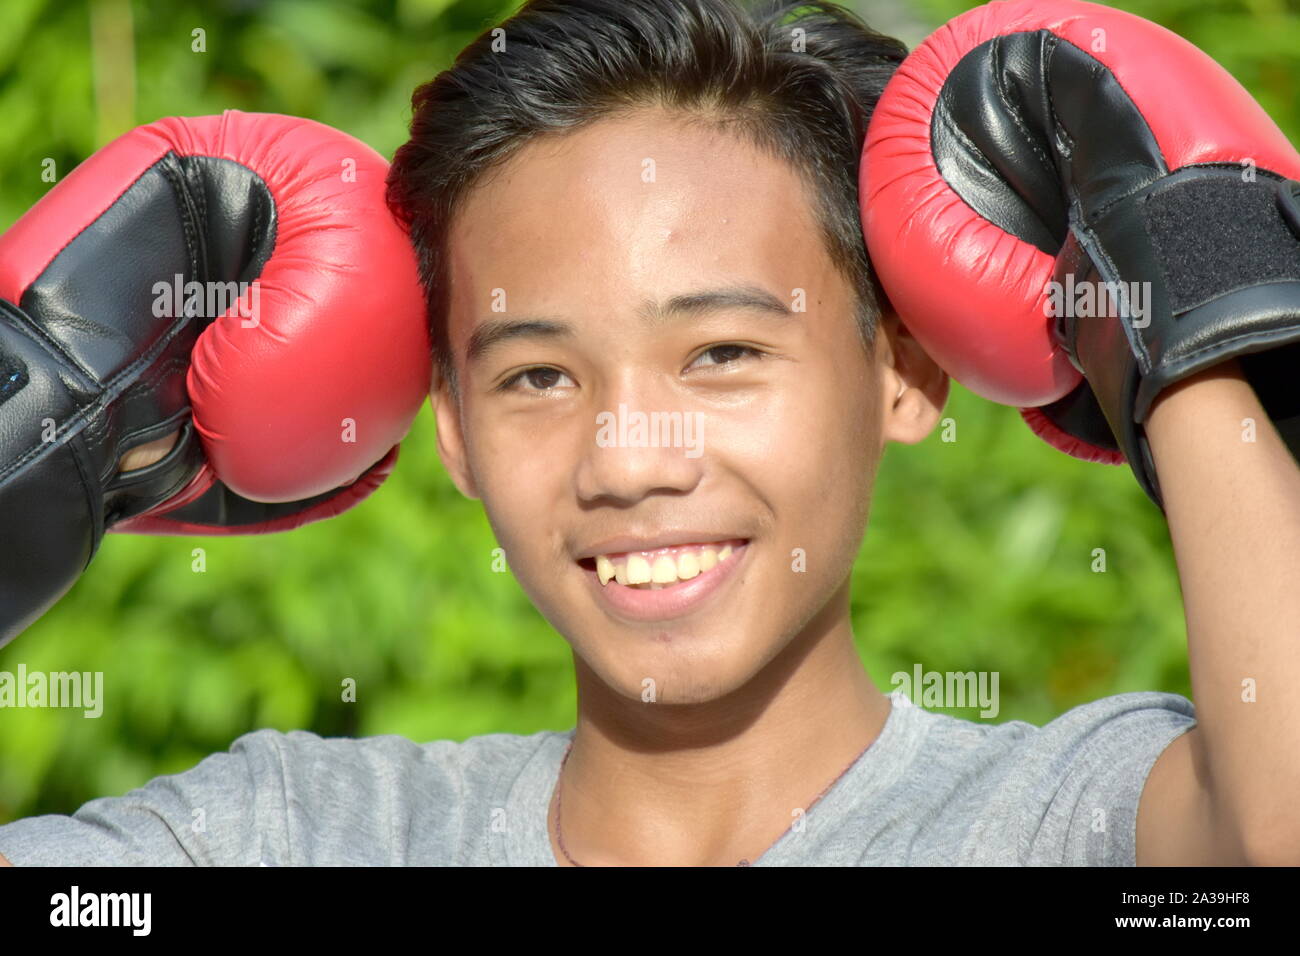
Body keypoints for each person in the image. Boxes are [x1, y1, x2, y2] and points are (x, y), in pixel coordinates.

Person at [2, 0, 1298, 867]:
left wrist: (1178, 310)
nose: (628, 456)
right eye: (536, 377)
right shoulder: (288, 840)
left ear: (905, 375)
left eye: (724, 353)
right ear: (450, 426)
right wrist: (39, 420)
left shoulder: (1062, 828)